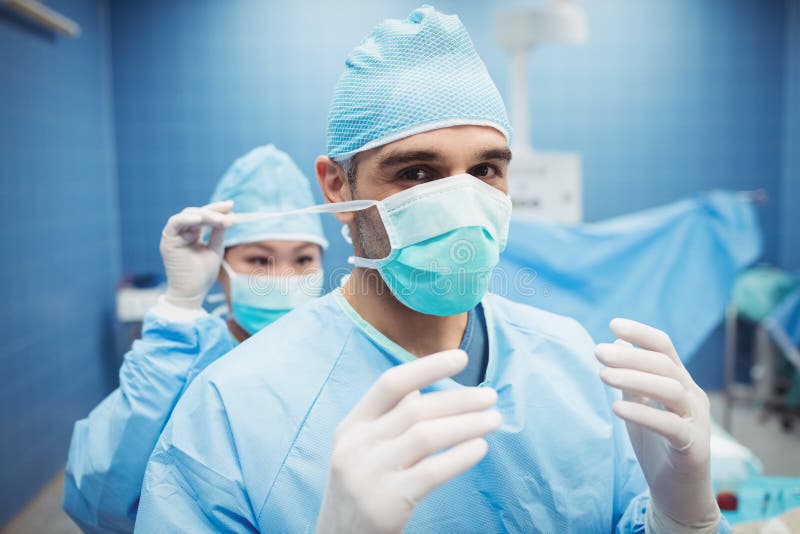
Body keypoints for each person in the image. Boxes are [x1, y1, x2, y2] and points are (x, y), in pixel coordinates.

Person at [136, 7, 727, 533]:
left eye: (486, 170)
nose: (462, 202)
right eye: (417, 174)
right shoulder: (233, 410)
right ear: (337, 185)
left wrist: (682, 521)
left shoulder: (571, 364)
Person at [63, 145, 328, 532]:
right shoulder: (183, 364)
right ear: (219, 267)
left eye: (303, 259)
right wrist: (179, 307)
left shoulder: (337, 355)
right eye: (259, 260)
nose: (283, 277)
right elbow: (100, 498)